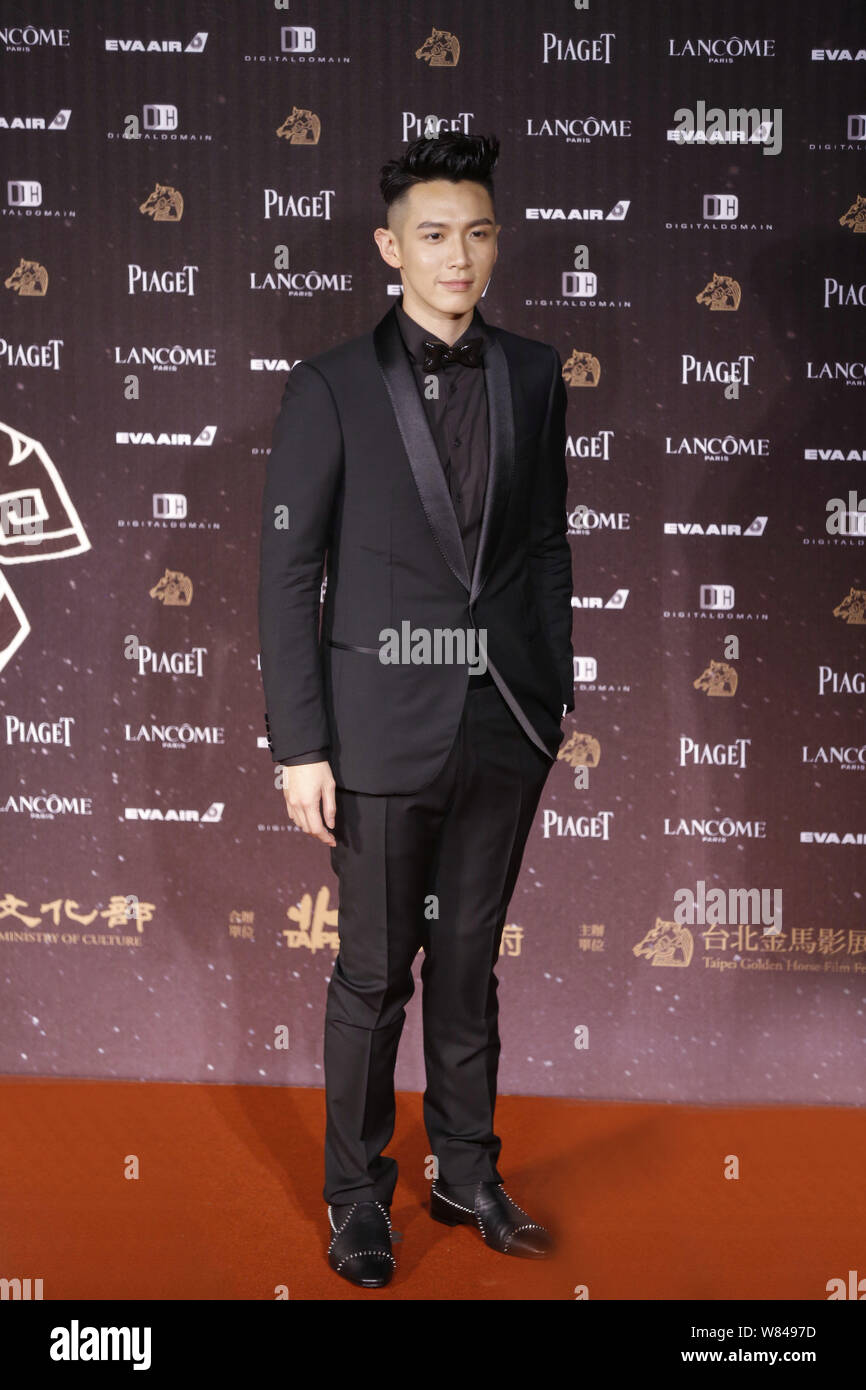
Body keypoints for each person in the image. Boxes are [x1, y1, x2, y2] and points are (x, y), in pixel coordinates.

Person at [258, 131, 574, 1289]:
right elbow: (288, 576)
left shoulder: (536, 374)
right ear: (389, 247)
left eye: (476, 233)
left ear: (496, 245)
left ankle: (465, 1171)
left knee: (471, 966)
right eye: (433, 235)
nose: (457, 256)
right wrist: (300, 743)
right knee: (373, 974)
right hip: (378, 729)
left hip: (503, 725)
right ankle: (356, 1199)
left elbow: (544, 547)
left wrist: (555, 692)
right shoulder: (331, 386)